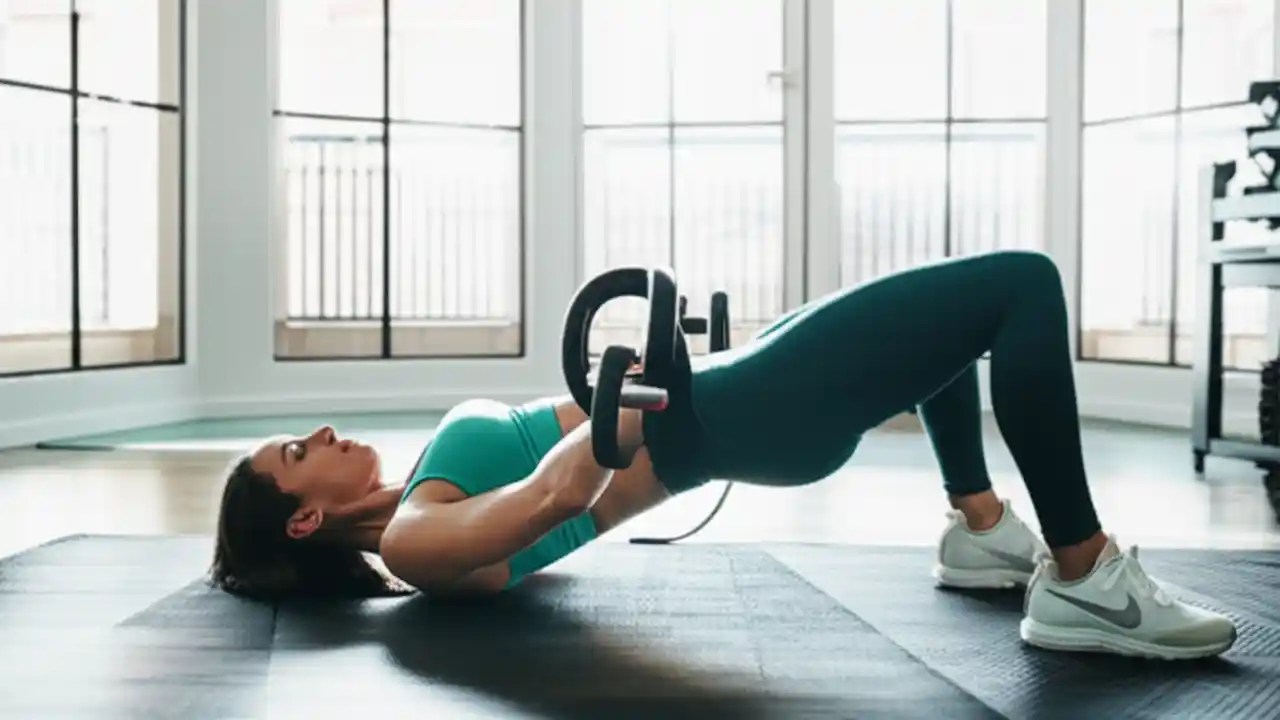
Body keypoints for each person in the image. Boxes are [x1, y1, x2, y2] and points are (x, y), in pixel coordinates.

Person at [211, 250, 1237, 661]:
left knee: (929, 330)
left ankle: (978, 528)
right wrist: (615, 403)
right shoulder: (416, 540)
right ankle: (1080, 578)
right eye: (300, 453)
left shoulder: (420, 496)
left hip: (725, 405)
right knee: (1018, 285)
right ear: (301, 516)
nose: (327, 437)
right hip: (724, 424)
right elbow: (547, 495)